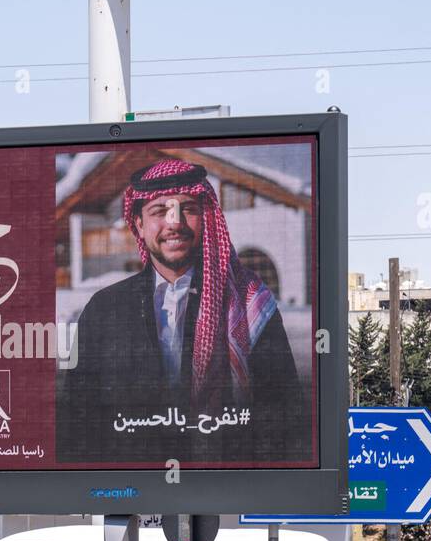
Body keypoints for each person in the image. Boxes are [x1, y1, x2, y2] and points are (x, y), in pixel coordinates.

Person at [57, 158, 306, 464]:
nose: (174, 223)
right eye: (159, 211)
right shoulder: (104, 309)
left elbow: (283, 413)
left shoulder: (250, 302)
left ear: (206, 216)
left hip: (226, 485)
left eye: (187, 208)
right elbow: (76, 418)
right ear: (138, 224)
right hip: (130, 487)